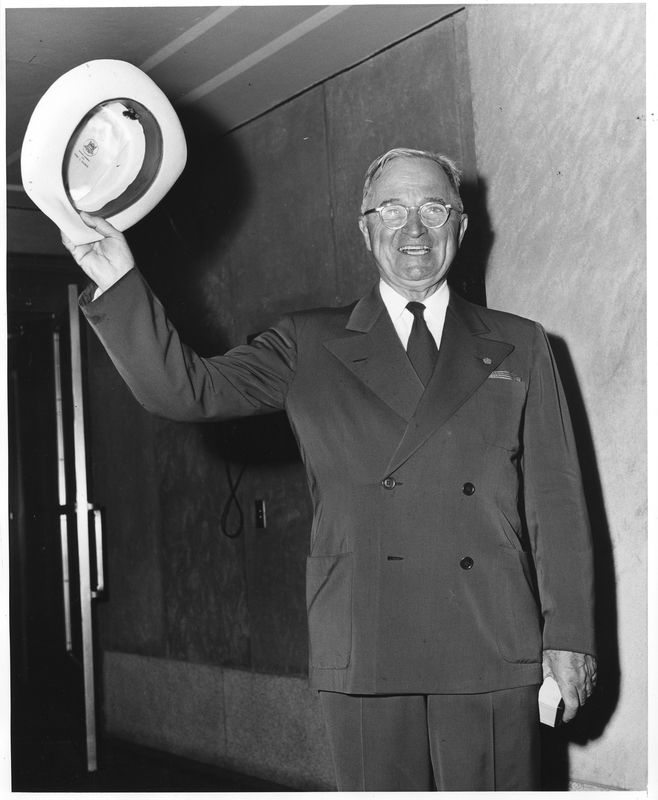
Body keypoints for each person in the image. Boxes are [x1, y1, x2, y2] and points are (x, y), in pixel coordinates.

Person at [64, 147, 597, 791]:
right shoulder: (308, 344)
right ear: (365, 228)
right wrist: (118, 277)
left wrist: (570, 637)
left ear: (461, 225)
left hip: (490, 637)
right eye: (392, 210)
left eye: (434, 209)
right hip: (366, 631)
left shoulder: (523, 343)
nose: (414, 230)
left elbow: (557, 503)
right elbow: (186, 389)